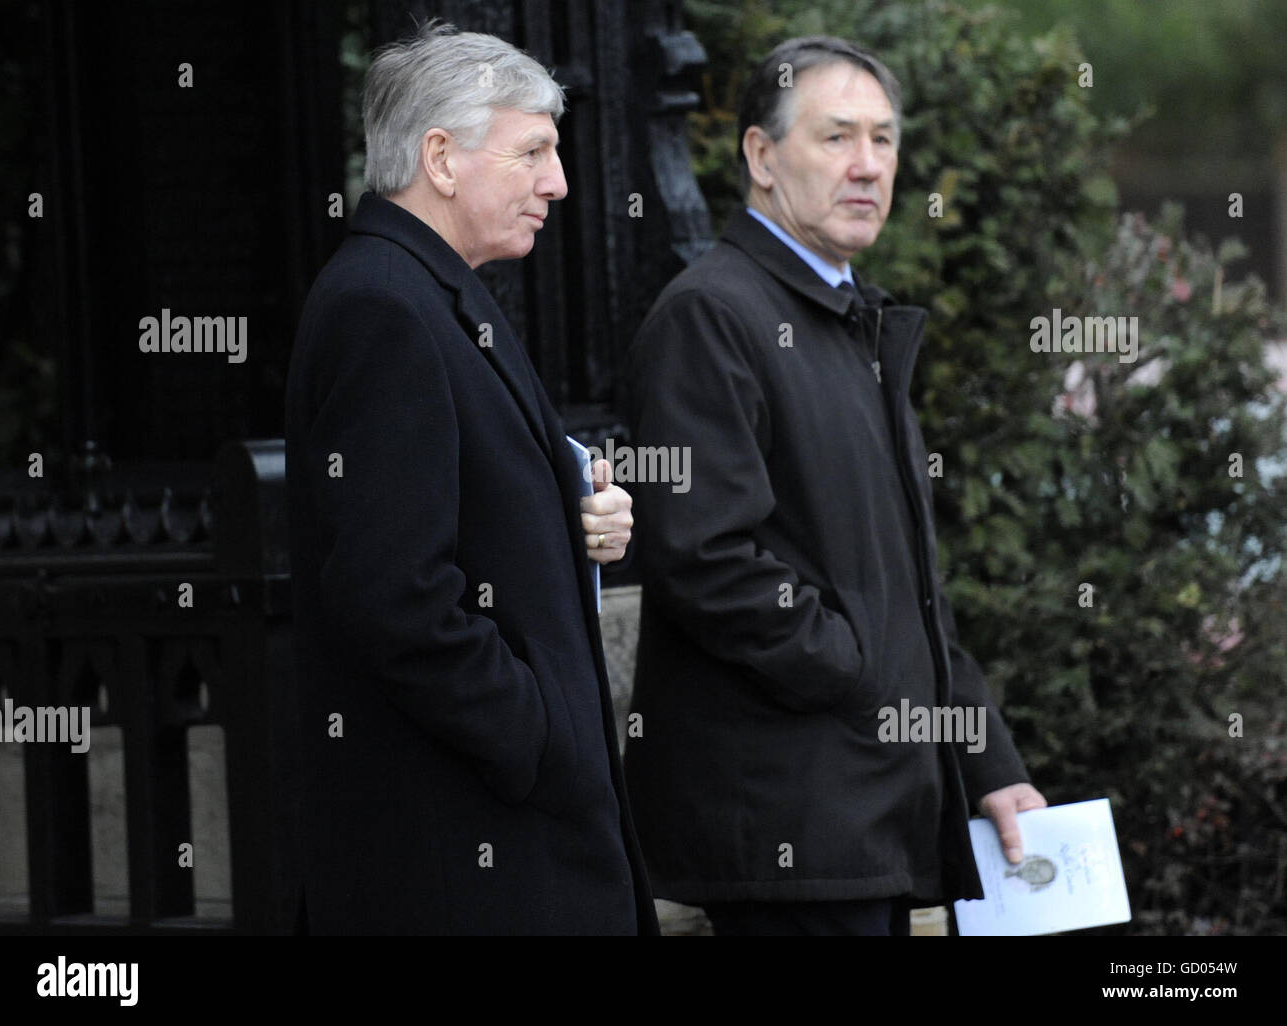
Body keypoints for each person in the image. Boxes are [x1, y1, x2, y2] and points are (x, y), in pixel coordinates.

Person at [621, 35, 1047, 936]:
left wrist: (988, 763)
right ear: (761, 156)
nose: (868, 167)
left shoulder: (852, 315)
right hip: (793, 834)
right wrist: (855, 673)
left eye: (884, 141)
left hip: (870, 819)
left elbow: (912, 593)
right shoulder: (713, 314)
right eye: (837, 138)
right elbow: (707, 559)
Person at [284, 23, 656, 935]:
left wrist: (569, 524)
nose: (558, 182)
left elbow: (457, 521)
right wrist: (541, 737)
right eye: (532, 150)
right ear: (440, 159)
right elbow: (395, 595)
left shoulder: (426, 290)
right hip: (471, 865)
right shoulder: (383, 304)